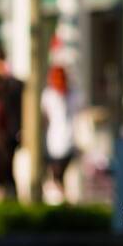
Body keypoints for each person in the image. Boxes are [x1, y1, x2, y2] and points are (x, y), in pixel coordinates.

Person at [41, 64, 79, 200]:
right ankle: (60, 196)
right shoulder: (49, 95)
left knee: (61, 173)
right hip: (53, 141)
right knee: (56, 174)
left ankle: (62, 196)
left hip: (68, 140)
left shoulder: (73, 94)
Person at [0, 45, 24, 200]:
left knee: (7, 169)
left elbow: (19, 89)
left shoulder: (12, 83)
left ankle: (11, 199)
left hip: (7, 134)